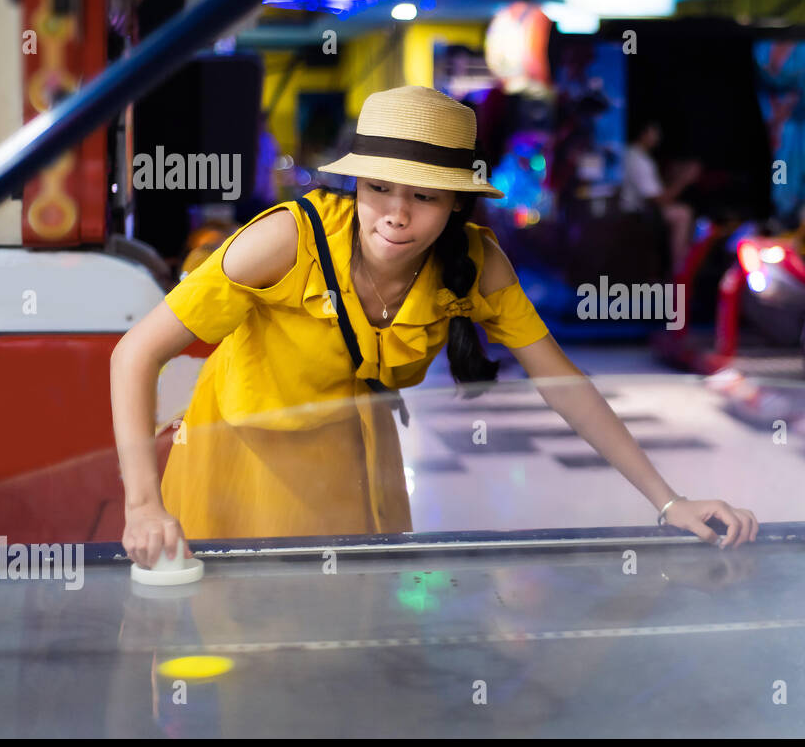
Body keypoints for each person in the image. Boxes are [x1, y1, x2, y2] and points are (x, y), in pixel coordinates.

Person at [111, 86, 757, 566]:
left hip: (353, 459)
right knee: (249, 662)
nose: (396, 215)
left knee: (348, 653)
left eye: (424, 196)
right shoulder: (288, 239)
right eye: (380, 189)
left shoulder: (476, 262)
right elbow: (135, 354)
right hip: (241, 459)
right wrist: (142, 505)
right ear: (357, 184)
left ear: (455, 204)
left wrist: (669, 502)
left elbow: (563, 384)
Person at [621, 121, 700, 275]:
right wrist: (684, 179)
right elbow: (658, 200)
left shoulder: (637, 156)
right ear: (644, 134)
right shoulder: (638, 159)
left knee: (681, 209)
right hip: (637, 212)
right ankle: (679, 271)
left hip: (643, 209)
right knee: (683, 213)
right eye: (654, 133)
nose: (657, 138)